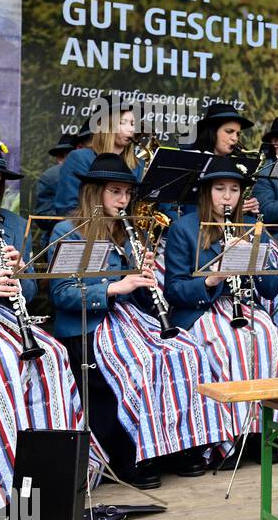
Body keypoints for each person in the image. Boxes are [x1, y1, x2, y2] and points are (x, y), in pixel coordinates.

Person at [0, 135, 101, 520]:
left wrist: (21, 271)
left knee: (53, 357)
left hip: (6, 321)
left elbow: (26, 293)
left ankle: (50, 480)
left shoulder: (10, 223)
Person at [48, 153, 228, 488]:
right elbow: (63, 295)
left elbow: (141, 298)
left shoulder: (124, 233)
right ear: (95, 193)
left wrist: (145, 279)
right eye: (115, 192)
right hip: (91, 325)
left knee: (186, 351)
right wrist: (115, 286)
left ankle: (176, 447)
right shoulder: (68, 231)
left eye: (128, 193)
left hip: (129, 320)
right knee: (141, 363)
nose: (124, 200)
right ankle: (130, 454)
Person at [163, 156, 278, 452]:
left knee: (266, 337)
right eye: (220, 189)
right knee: (227, 345)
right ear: (207, 192)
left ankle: (260, 433)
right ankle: (228, 440)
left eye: (233, 189)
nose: (227, 196)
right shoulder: (184, 228)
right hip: (203, 310)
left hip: (243, 307)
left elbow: (271, 289)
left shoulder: (249, 226)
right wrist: (211, 279)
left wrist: (254, 255)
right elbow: (174, 291)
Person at [56, 102, 138, 215]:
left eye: (133, 123)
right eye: (122, 123)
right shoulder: (80, 158)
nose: (131, 129)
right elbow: (67, 208)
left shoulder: (138, 164)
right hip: (87, 230)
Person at [191, 103, 260, 216]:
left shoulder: (240, 163)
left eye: (238, 134)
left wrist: (249, 208)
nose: (235, 139)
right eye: (229, 131)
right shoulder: (190, 158)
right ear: (212, 132)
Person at [33, 134, 74, 216]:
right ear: (60, 158)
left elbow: (43, 213)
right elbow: (44, 214)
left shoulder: (94, 174)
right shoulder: (50, 177)